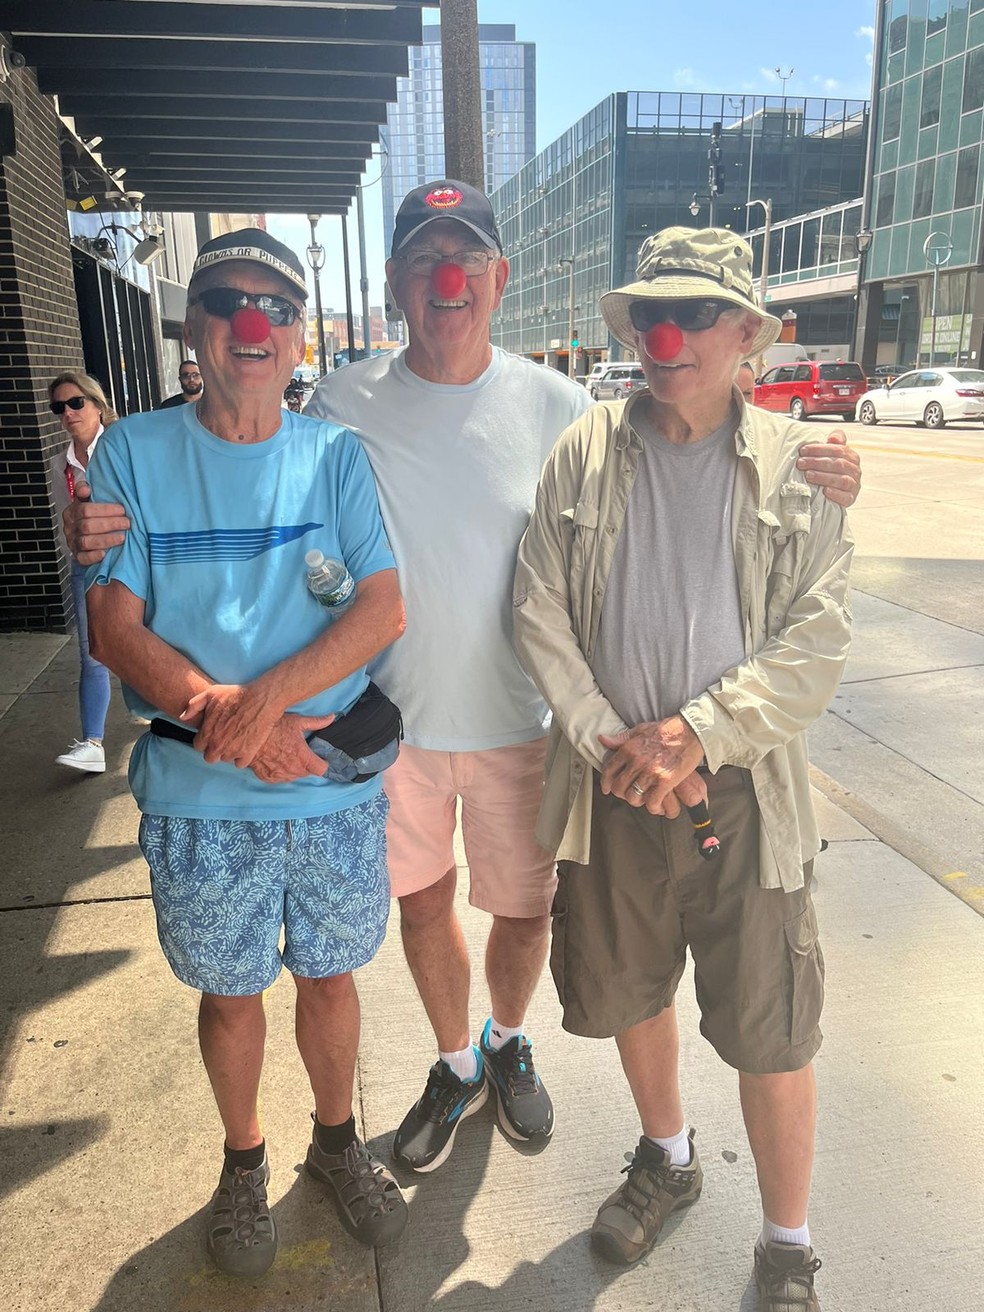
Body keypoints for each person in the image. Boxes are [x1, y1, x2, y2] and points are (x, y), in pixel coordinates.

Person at [63, 184, 863, 1184]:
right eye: (425, 259)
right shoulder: (341, 402)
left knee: (524, 910)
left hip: (530, 725)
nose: (448, 280)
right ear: (396, 281)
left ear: (498, 277)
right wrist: (100, 524)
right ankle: (453, 1058)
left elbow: (688, 447)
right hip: (389, 727)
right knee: (423, 901)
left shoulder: (566, 410)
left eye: (467, 258)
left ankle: (506, 1035)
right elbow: (234, 442)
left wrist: (821, 460)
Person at [513, 226, 852, 1311]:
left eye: (697, 313)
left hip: (743, 794)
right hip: (613, 784)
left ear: (747, 333)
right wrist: (617, 739)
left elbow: (816, 639)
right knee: (630, 989)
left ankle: (788, 1243)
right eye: (654, 311)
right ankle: (669, 1152)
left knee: (770, 1021)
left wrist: (698, 732)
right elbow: (539, 607)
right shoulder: (586, 447)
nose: (669, 333)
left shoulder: (805, 463)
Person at [83, 228, 409, 1277]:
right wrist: (222, 712)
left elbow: (382, 609)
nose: (250, 322)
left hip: (325, 786)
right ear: (195, 327)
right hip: (200, 794)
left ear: (298, 332)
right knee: (228, 995)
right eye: (226, 299)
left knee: (331, 978)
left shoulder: (334, 455)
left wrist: (264, 705)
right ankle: (242, 1158)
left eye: (274, 302)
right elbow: (114, 625)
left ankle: (335, 1141)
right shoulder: (132, 451)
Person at [49, 370, 116, 773]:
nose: (69, 412)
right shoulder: (61, 465)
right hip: (85, 566)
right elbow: (64, 521)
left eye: (76, 402)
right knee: (93, 655)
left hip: (133, 560)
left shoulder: (123, 449)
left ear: (96, 404)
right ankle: (93, 742)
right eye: (60, 407)